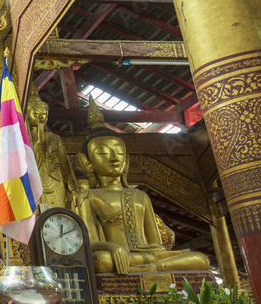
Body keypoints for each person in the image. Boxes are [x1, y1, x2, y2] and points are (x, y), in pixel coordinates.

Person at [75, 102, 210, 274]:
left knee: (200, 259)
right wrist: (112, 248)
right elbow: (89, 243)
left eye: (119, 152)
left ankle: (148, 269)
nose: (114, 157)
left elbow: (156, 242)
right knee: (101, 261)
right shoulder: (87, 197)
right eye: (103, 152)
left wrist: (155, 249)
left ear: (127, 160)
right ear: (86, 163)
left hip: (146, 258)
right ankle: (149, 269)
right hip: (116, 257)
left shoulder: (139, 195)